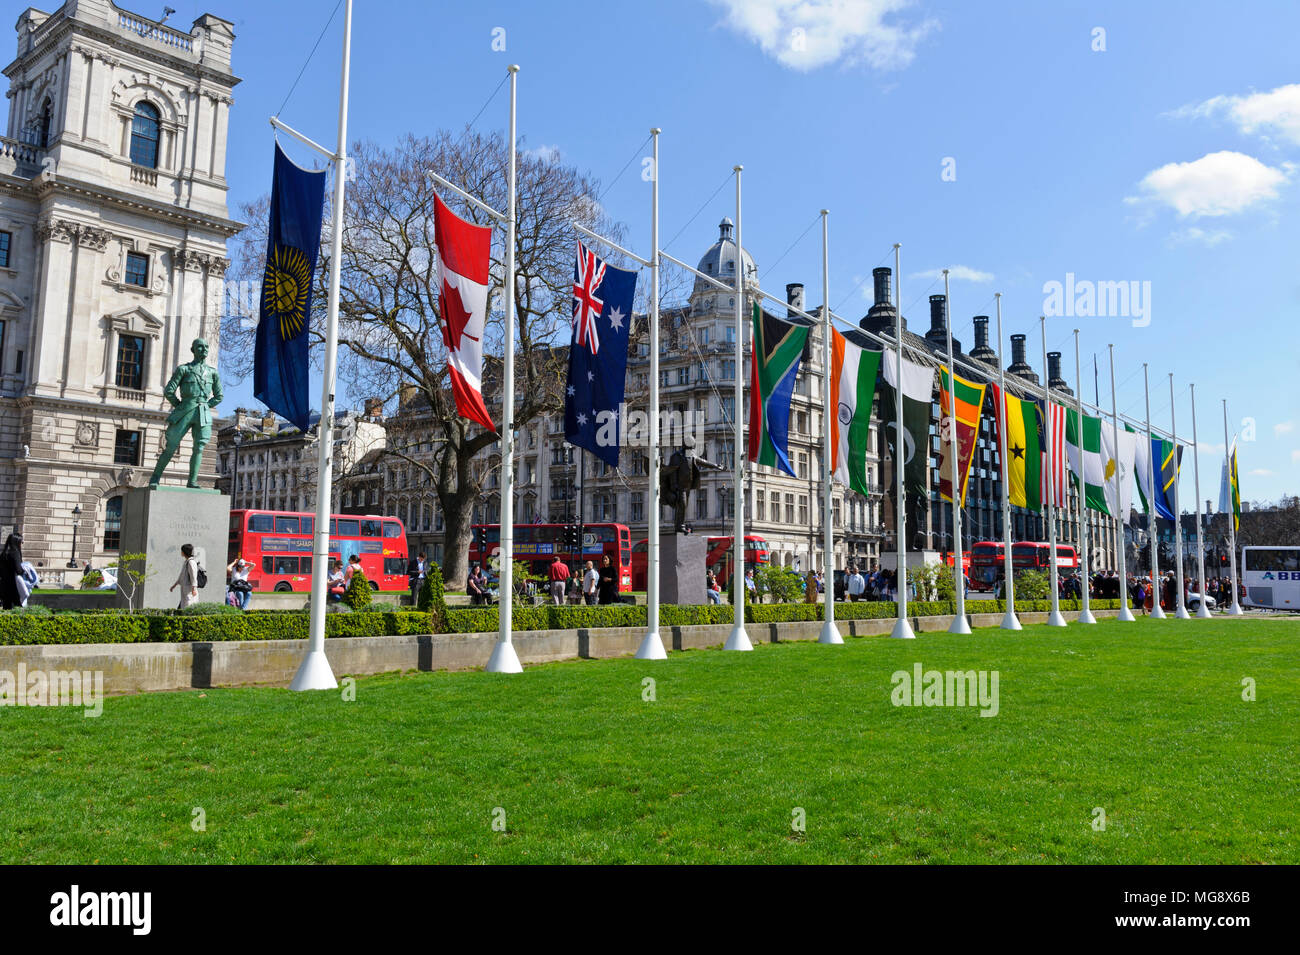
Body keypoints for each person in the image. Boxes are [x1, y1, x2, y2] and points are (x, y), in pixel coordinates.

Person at [169, 543, 200, 610]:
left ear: (184, 552)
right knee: (184, 605)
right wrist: (174, 585)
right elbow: (181, 575)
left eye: (182, 551)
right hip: (185, 588)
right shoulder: (186, 562)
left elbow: (193, 576)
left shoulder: (191, 562)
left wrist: (193, 588)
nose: (181, 552)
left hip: (189, 589)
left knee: (189, 605)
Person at [0, 533, 24, 610]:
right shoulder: (15, 553)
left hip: (4, 585)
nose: (22, 544)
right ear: (17, 542)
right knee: (18, 609)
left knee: (7, 608)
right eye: (21, 542)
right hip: (14, 586)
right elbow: (19, 570)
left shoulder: (3, 553)